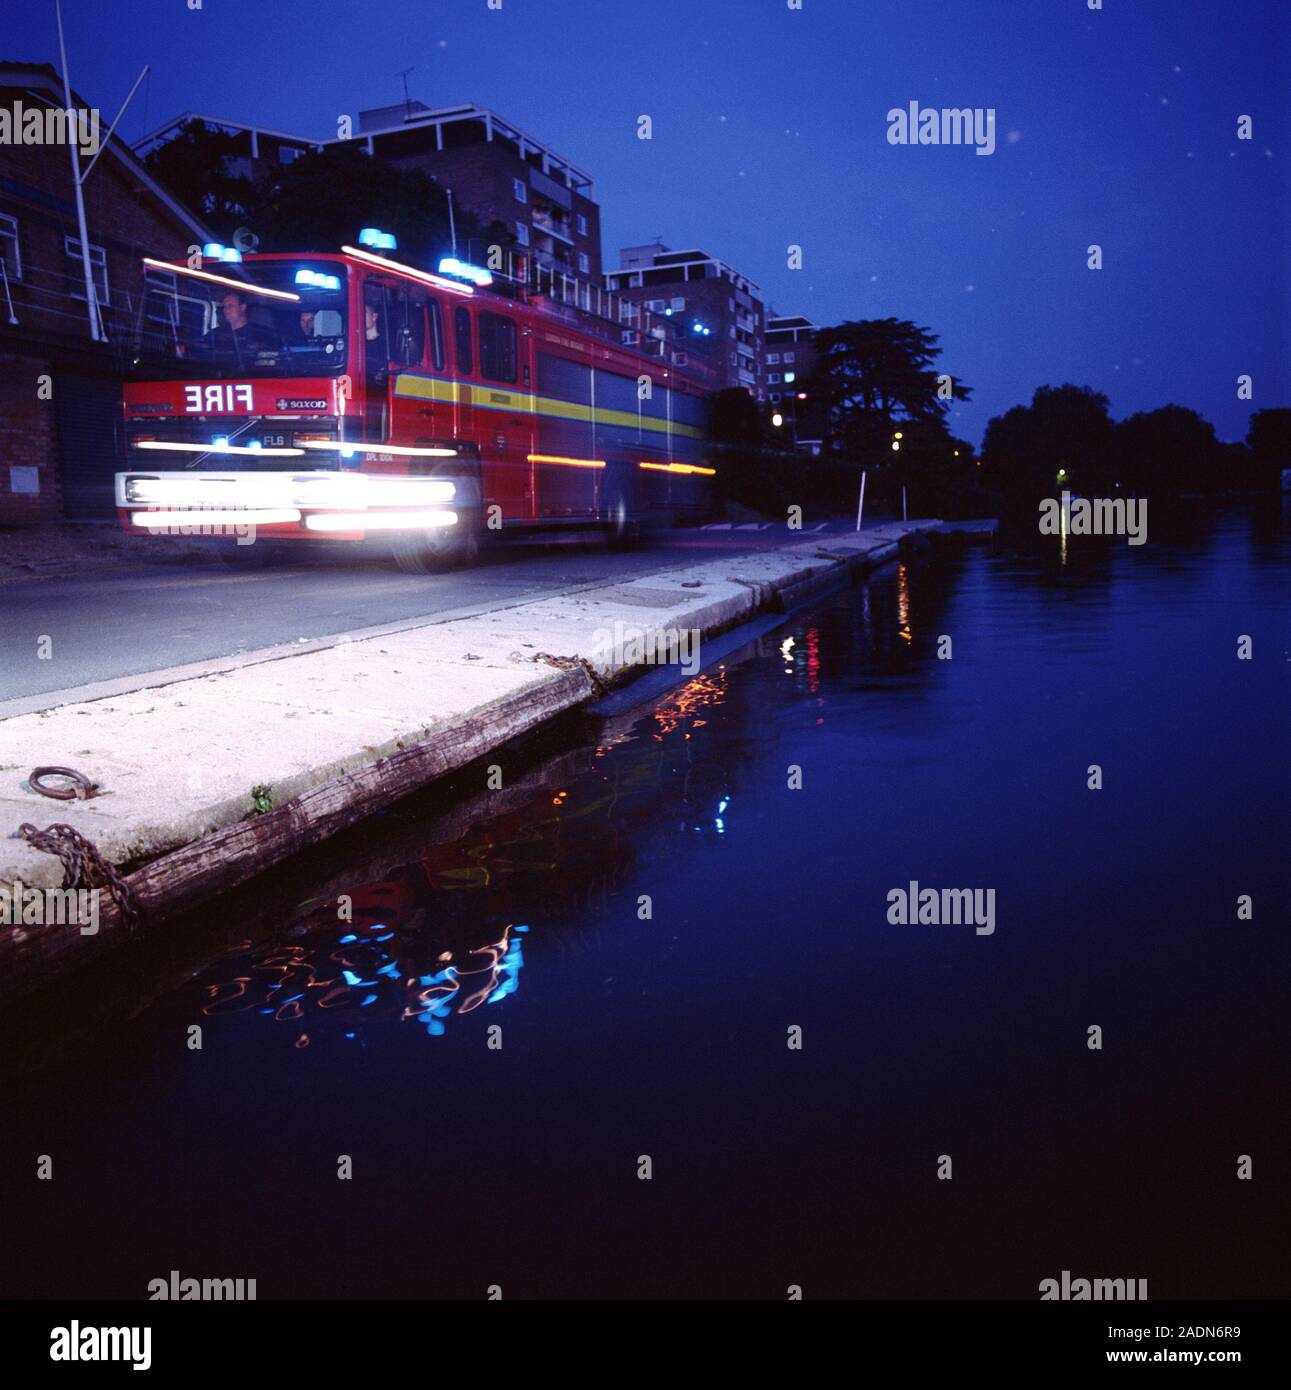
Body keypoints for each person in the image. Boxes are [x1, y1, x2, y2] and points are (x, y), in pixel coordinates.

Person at [210, 290, 277, 363]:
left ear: (242, 307)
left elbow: (272, 359)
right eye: (224, 306)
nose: (226, 310)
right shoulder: (215, 334)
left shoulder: (262, 333)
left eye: (230, 305)